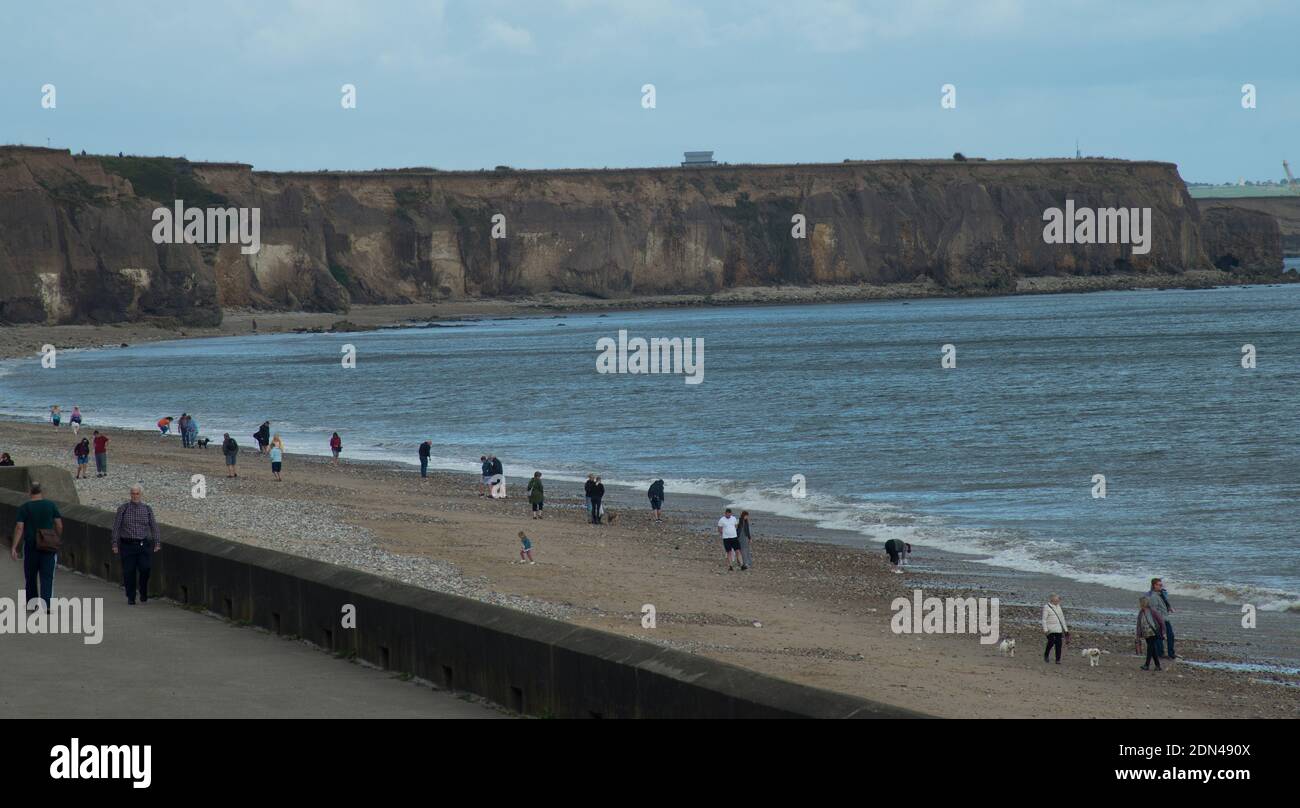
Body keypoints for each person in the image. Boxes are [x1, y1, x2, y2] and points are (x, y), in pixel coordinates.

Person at [9, 483, 63, 610]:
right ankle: (47, 605)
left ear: (29, 492)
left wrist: (14, 547)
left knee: (31, 576)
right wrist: (56, 537)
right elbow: (59, 525)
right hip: (48, 545)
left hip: (31, 545)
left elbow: (19, 527)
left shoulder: (25, 507)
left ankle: (32, 605)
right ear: (41, 491)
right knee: (47, 576)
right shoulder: (50, 505)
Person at [112, 484, 161, 605]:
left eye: (137, 493)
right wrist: (114, 543)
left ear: (141, 494)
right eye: (133, 493)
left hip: (143, 544)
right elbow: (116, 527)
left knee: (146, 569)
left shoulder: (147, 509)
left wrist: (157, 542)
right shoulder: (123, 509)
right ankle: (131, 596)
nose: (135, 496)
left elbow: (154, 527)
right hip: (127, 545)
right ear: (130, 494)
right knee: (129, 571)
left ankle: (143, 591)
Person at [1147, 578, 1176, 660]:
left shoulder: (1161, 593)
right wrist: (1159, 619)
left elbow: (1165, 603)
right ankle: (1160, 653)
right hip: (1160, 620)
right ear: (1154, 585)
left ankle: (1171, 653)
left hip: (1165, 618)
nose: (1161, 586)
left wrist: (1169, 608)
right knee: (1160, 637)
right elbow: (1154, 610)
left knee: (1170, 635)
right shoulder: (1153, 596)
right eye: (1159, 585)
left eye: (1161, 584)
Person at [1136, 596, 1166, 671]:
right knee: (1152, 649)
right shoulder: (1141, 612)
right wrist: (1138, 635)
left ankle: (1147, 665)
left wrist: (1163, 632)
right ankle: (1158, 665)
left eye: (1141, 603)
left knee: (1150, 648)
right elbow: (1139, 624)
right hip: (1146, 633)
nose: (1140, 604)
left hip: (1154, 632)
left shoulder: (1152, 611)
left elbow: (1161, 621)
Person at [1042, 594, 1069, 664]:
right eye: (1056, 600)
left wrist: (1066, 630)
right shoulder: (1046, 607)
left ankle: (1058, 659)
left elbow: (1062, 619)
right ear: (1052, 600)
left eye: (1058, 600)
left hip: (1058, 629)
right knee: (1051, 642)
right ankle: (1046, 654)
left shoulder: (1059, 607)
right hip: (1049, 629)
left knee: (1059, 644)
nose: (1057, 602)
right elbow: (1044, 620)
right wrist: (1045, 630)